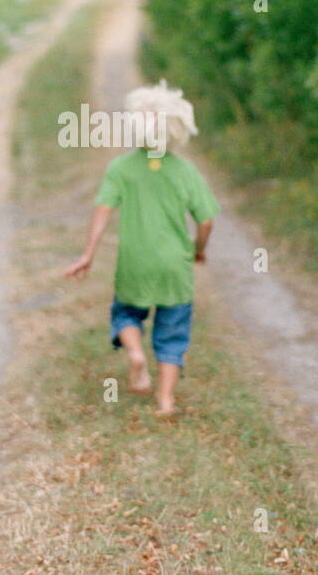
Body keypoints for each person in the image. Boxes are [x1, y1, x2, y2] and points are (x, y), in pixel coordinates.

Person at [65, 81, 219, 416]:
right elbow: (206, 221)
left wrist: (88, 254)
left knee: (126, 313)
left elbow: (103, 212)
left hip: (135, 262)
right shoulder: (185, 171)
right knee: (173, 331)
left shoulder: (121, 168)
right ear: (177, 128)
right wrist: (198, 249)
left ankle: (135, 354)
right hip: (175, 266)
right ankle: (164, 399)